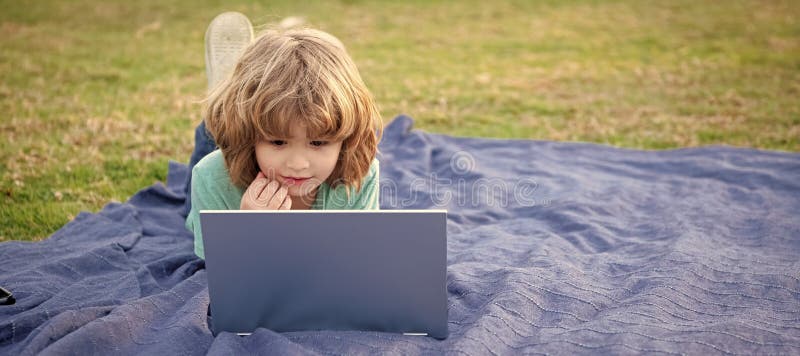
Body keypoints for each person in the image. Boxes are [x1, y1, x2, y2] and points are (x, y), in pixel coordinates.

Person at [185, 15, 383, 259]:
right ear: (253, 137)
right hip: (236, 151)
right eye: (278, 142)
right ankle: (225, 100)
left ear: (346, 140)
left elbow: (355, 257)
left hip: (258, 125)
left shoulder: (360, 175)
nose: (298, 164)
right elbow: (220, 266)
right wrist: (245, 227)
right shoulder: (211, 177)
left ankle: (231, 94)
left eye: (318, 142)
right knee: (216, 133)